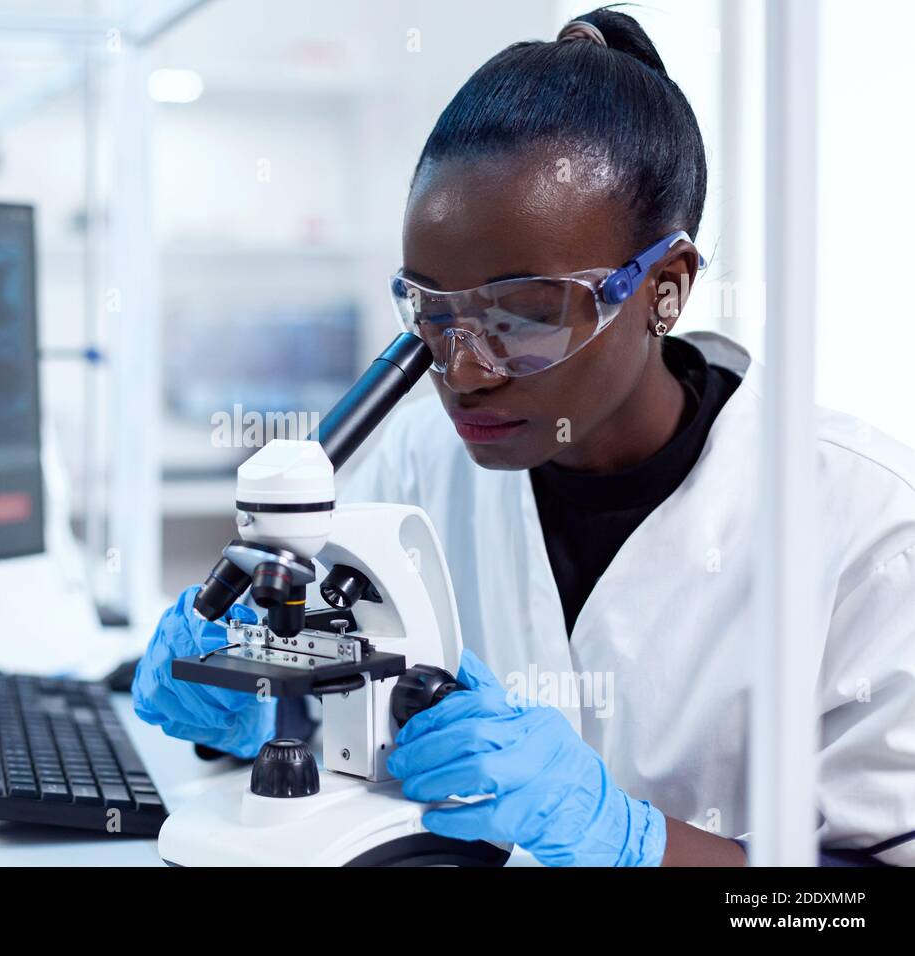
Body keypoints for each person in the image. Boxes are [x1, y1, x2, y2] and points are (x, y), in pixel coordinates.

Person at [132, 8, 915, 866]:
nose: (463, 373)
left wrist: (636, 845)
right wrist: (242, 705)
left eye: (525, 314)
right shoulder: (411, 463)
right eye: (433, 312)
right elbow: (320, 709)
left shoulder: (868, 528)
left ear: (666, 288)